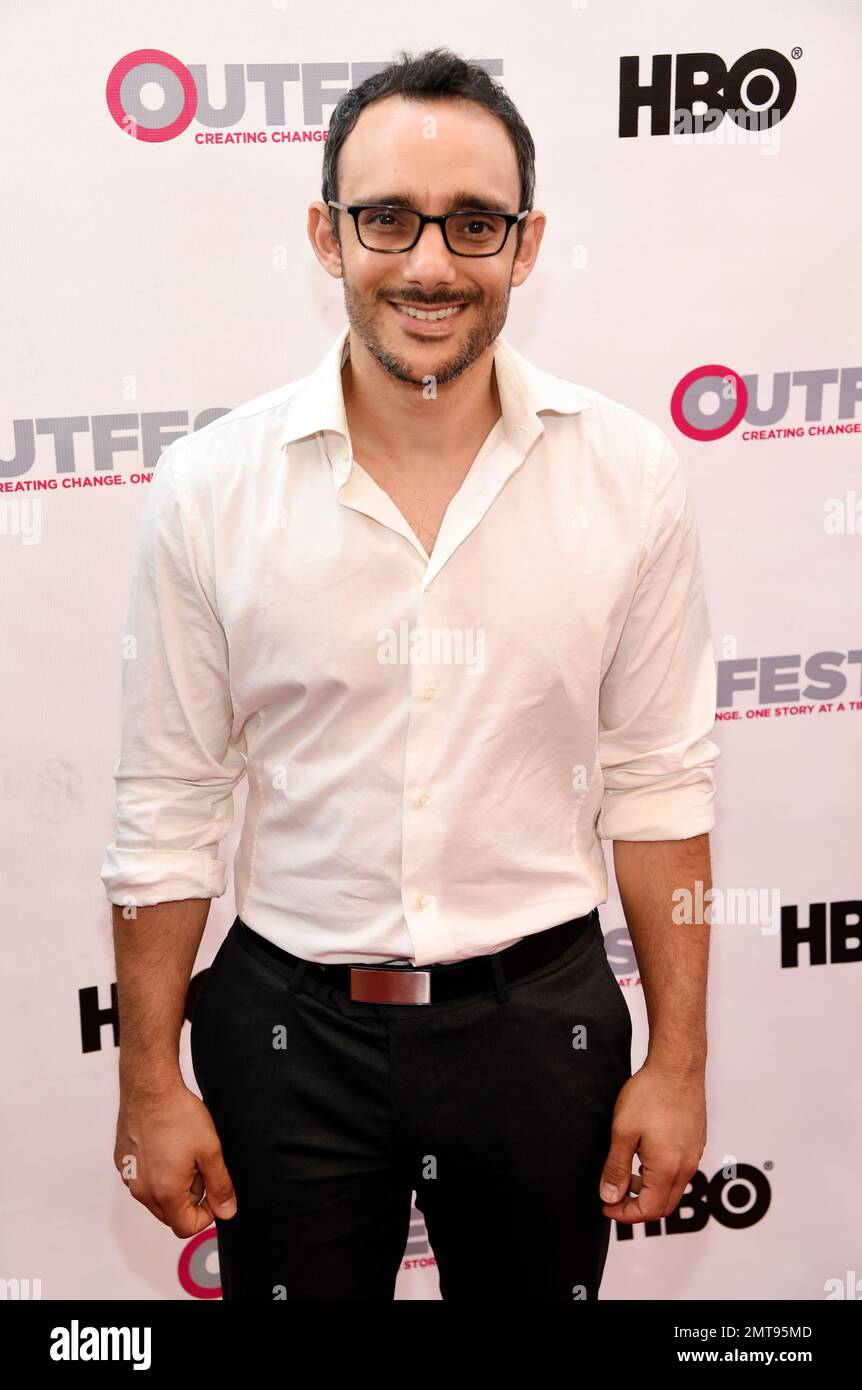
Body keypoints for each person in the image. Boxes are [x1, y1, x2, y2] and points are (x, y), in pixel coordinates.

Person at [101, 46, 720, 1301]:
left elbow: (660, 786)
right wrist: (151, 1079)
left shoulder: (628, 475)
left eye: (472, 224)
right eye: (387, 218)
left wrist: (680, 1062)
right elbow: (168, 803)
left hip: (539, 1026)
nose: (430, 264)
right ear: (328, 237)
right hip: (287, 1036)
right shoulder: (211, 489)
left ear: (525, 244)